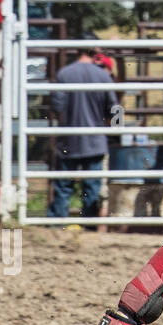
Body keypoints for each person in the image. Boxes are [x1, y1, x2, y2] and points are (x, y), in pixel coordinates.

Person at [48, 40, 119, 219]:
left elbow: (57, 106)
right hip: (95, 140)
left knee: (64, 186)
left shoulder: (64, 74)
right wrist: (115, 132)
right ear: (95, 51)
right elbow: (114, 108)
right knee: (92, 187)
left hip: (69, 139)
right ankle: (89, 224)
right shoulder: (102, 76)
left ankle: (58, 223)